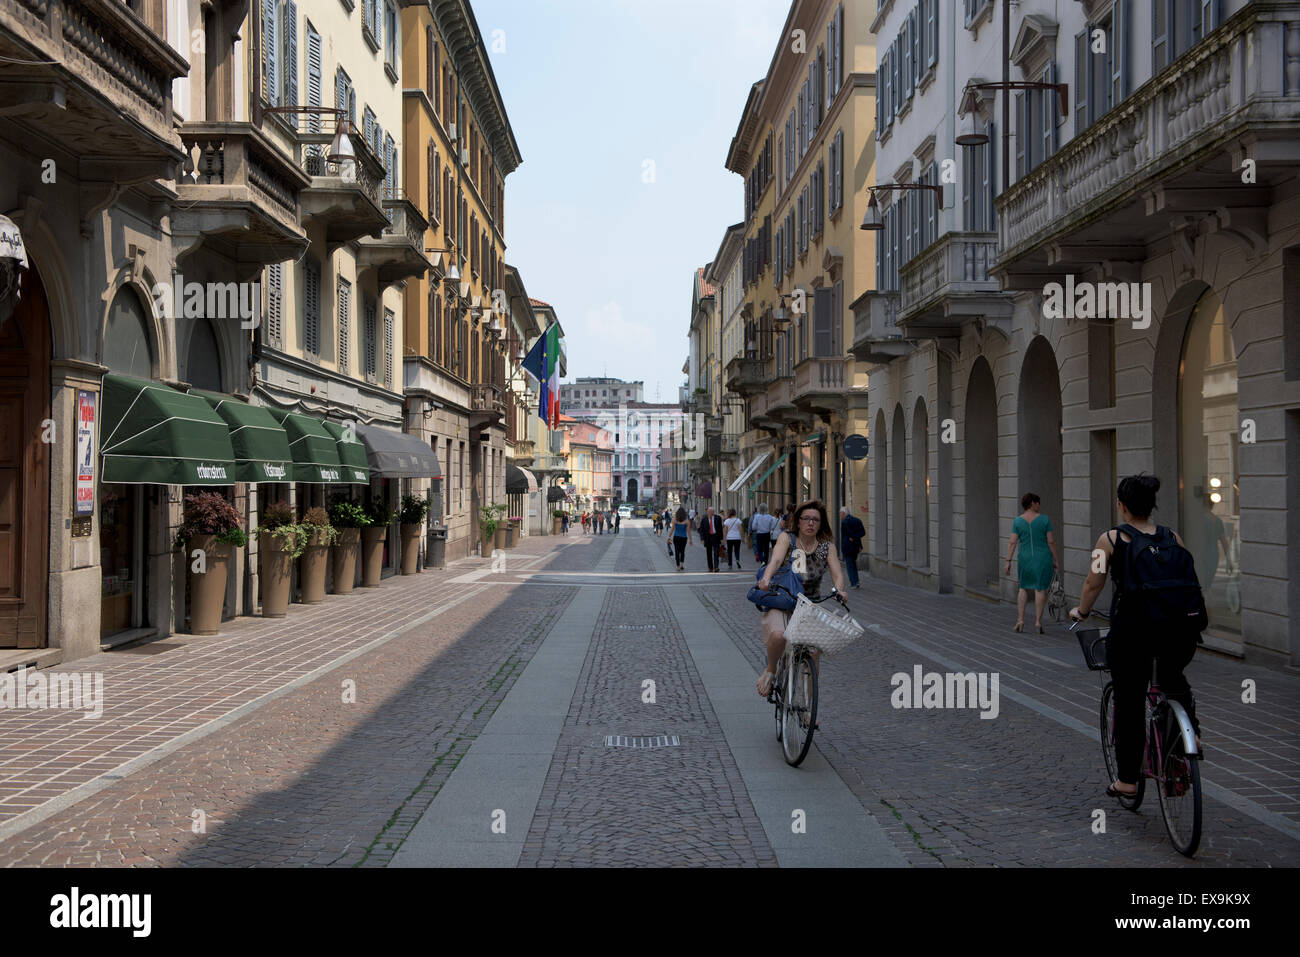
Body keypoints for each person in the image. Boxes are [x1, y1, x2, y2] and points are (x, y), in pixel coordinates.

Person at [1070, 474, 1202, 800]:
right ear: (1151, 506)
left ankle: (1128, 780)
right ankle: (1189, 737)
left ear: (1122, 506)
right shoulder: (1173, 537)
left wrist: (1081, 612)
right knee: (1174, 681)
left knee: (1129, 699)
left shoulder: (1110, 540)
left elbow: (1093, 583)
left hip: (1133, 635)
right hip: (1179, 633)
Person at [755, 500, 848, 698]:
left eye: (815, 520)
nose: (811, 523)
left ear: (821, 524)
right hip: (783, 600)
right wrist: (766, 578)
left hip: (810, 605)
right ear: (798, 522)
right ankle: (771, 670)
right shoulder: (787, 539)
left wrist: (839, 590)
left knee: (813, 653)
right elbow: (777, 560)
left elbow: (838, 575)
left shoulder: (826, 547)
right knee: (779, 635)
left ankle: (808, 706)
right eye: (806, 519)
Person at [1005, 492, 1060, 633]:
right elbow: (1051, 541)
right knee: (1040, 588)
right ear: (1033, 504)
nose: (1039, 505)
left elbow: (1012, 542)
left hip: (1025, 558)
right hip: (1042, 558)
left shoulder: (1017, 521)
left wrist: (1008, 560)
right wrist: (1055, 559)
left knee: (1023, 587)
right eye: (1038, 503)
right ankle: (1038, 622)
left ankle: (1020, 620)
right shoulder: (1045, 520)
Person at [839, 506, 866, 589]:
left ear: (843, 513)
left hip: (848, 547)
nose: (840, 515)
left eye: (840, 513)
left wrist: (852, 537)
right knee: (853, 564)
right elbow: (863, 532)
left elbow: (848, 534)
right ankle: (856, 581)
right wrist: (858, 544)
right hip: (856, 547)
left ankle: (854, 583)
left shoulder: (844, 522)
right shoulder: (857, 520)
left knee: (850, 565)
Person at [697, 506, 723, 572]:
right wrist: (702, 539)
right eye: (709, 512)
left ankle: (716, 567)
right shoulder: (704, 519)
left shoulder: (718, 518)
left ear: (713, 512)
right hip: (708, 538)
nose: (710, 513)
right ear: (707, 512)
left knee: (716, 552)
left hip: (715, 537)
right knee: (709, 553)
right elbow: (701, 530)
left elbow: (720, 529)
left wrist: (721, 539)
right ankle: (710, 567)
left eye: (712, 512)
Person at [671, 506, 692, 571]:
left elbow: (672, 530)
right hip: (684, 538)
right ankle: (682, 565)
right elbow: (688, 531)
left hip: (676, 537)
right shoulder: (687, 521)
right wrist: (691, 539)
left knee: (677, 551)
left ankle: (678, 566)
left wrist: (669, 537)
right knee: (682, 551)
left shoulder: (674, 520)